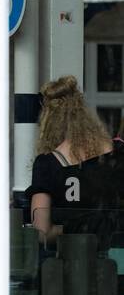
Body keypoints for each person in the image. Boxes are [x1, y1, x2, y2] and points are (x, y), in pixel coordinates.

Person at [28, 76, 124, 252]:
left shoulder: (48, 164)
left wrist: (74, 228)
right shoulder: (117, 153)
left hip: (74, 263)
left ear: (48, 120)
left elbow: (42, 231)